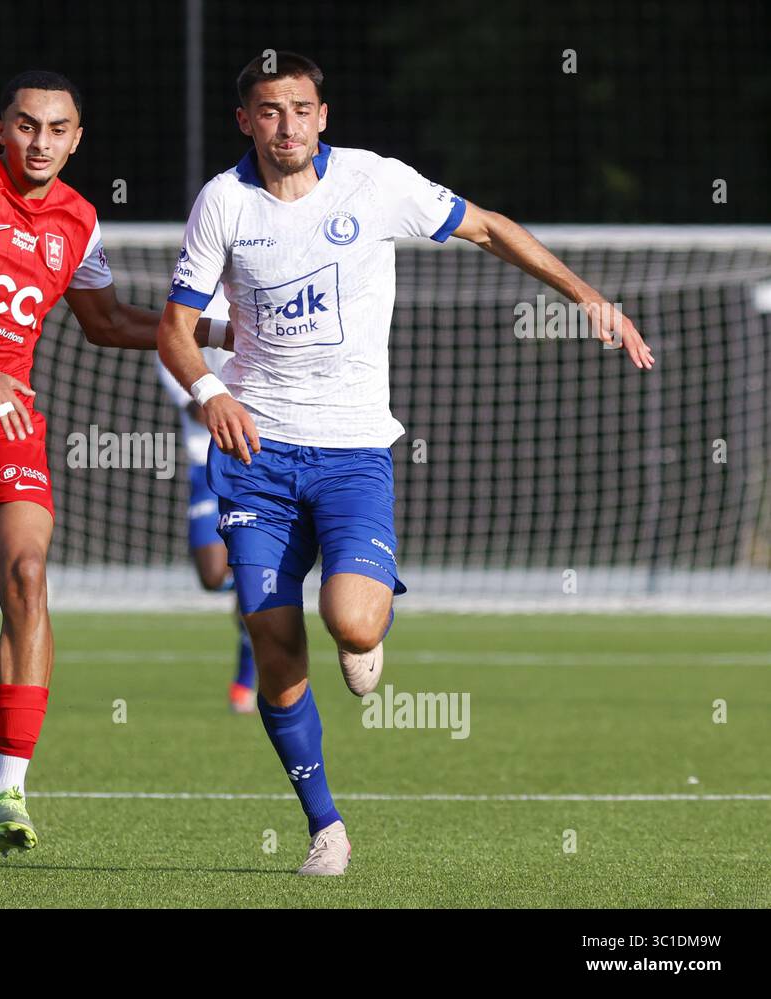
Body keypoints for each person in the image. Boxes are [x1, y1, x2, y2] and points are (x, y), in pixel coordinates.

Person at [157, 51, 653, 876]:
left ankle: (367, 618)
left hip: (353, 450)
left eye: (303, 109)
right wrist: (210, 391)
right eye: (270, 112)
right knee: (274, 649)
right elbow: (176, 326)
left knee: (351, 623)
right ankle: (326, 827)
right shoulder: (222, 203)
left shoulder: (374, 183)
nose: (289, 126)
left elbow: (490, 226)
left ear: (324, 114)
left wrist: (589, 297)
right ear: (245, 120)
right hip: (255, 454)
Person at [0, 70, 231, 856]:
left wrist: (224, 332)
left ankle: (9, 791)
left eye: (57, 129)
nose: (41, 143)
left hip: (2, 425)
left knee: (28, 569)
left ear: (77, 137)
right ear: (2, 126)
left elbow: (107, 322)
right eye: (27, 126)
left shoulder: (80, 222)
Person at [154, 288, 256, 713]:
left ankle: (247, 677)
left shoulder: (258, 295)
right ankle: (251, 595)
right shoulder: (180, 315)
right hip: (207, 461)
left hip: (259, 457)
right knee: (213, 575)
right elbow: (197, 405)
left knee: (253, 578)